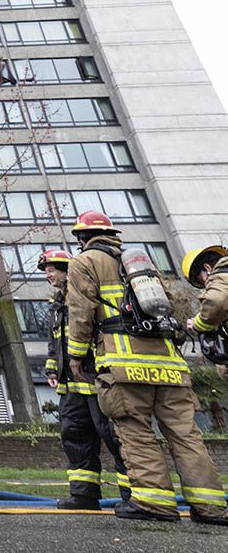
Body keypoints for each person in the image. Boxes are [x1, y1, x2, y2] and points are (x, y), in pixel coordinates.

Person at [66, 210, 228, 525]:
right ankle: (211, 508)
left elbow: (81, 311)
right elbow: (168, 308)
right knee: (186, 435)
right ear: (112, 234)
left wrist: (75, 356)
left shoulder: (84, 263)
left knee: (136, 430)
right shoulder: (141, 262)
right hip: (169, 365)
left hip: (125, 365)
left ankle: (155, 504)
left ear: (82, 239)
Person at [40, 247, 129, 510]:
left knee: (111, 434)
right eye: (46, 270)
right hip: (71, 384)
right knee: (74, 435)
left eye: (52, 269)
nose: (48, 275)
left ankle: (133, 494)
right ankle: (84, 494)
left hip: (95, 378)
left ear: (69, 271)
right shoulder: (56, 305)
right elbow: (54, 342)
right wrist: (52, 369)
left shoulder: (85, 296)